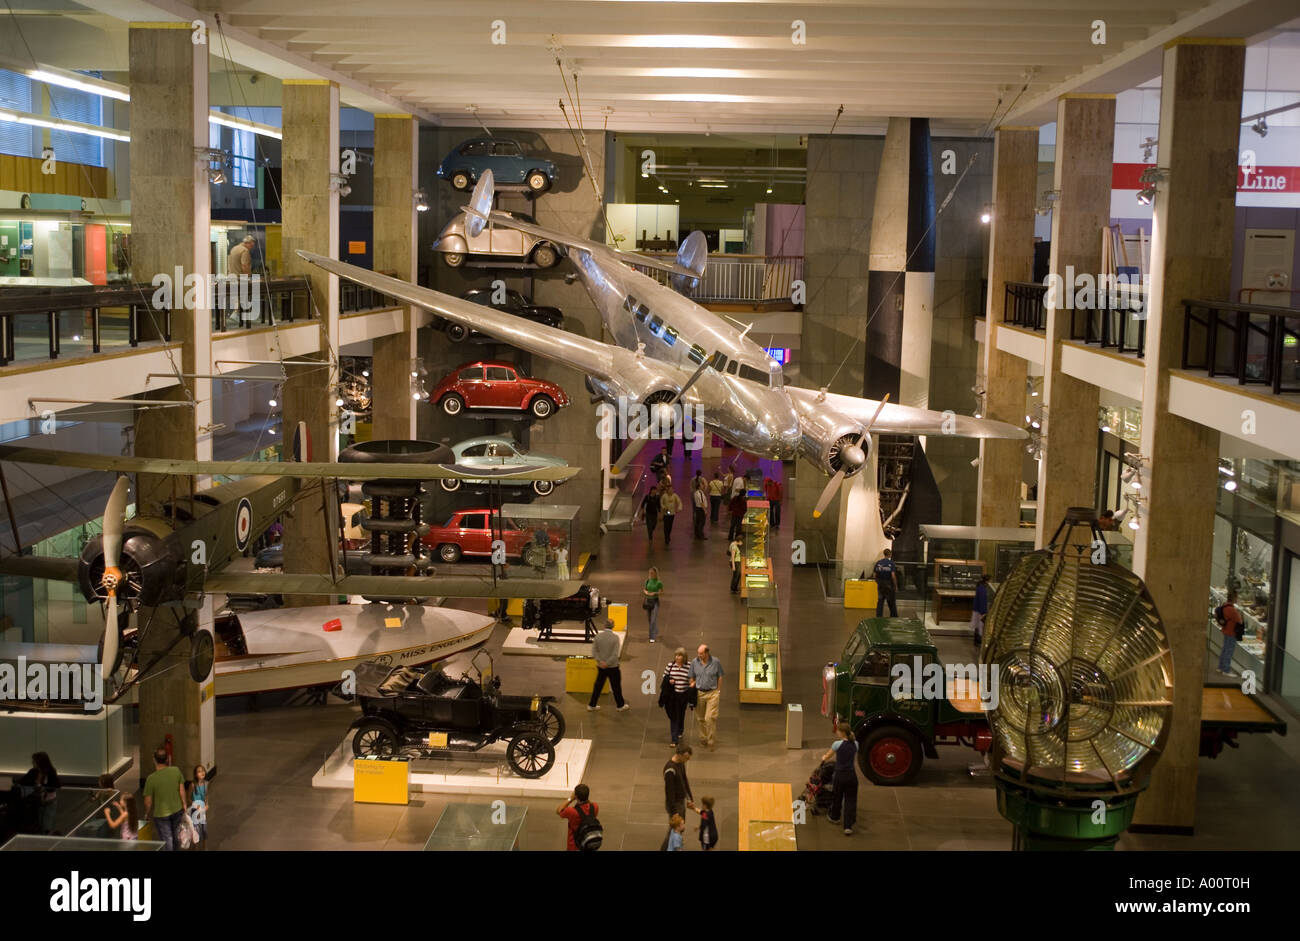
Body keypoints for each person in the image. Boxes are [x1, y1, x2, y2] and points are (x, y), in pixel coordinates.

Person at [142, 748, 188, 851]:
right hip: (177, 810)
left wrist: (147, 813)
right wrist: (184, 804)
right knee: (176, 837)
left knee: (167, 839)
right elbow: (182, 790)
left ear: (154, 760)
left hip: (161, 815)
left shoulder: (151, 778)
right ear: (167, 759)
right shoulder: (176, 770)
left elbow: (148, 801)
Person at [822, 722, 859, 835]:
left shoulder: (837, 744)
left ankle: (835, 817)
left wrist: (823, 757)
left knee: (837, 796)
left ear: (842, 732)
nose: (836, 732)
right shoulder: (856, 744)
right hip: (852, 776)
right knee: (851, 800)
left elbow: (827, 756)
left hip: (840, 776)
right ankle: (848, 826)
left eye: (838, 731)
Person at [588, 620, 631, 712]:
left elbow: (594, 652)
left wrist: (600, 662)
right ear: (613, 626)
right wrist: (607, 663)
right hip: (613, 667)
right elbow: (615, 654)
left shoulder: (598, 636)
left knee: (598, 687)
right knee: (616, 687)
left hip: (601, 667)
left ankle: (592, 705)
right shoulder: (615, 638)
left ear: (604, 625)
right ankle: (620, 705)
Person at [689, 644, 725, 748]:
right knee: (700, 718)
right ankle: (703, 737)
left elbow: (720, 676)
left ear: (707, 653)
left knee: (709, 718)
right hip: (699, 693)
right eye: (698, 653)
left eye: (701, 653)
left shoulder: (716, 662)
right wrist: (693, 683)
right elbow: (691, 676)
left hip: (712, 693)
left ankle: (711, 740)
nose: (699, 655)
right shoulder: (694, 662)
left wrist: (718, 690)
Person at [660, 648, 692, 745]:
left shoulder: (689, 666)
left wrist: (691, 683)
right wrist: (669, 680)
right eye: (676, 655)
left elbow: (692, 678)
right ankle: (674, 739)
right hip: (673, 695)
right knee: (674, 716)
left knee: (681, 713)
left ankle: (680, 730)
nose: (677, 657)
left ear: (684, 657)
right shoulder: (670, 665)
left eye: (679, 655)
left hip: (684, 695)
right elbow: (664, 676)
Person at [21, 752, 60, 834]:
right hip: (38, 801)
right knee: (40, 823)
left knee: (47, 824)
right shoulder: (33, 771)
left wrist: (41, 786)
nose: (32, 762)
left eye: (34, 761)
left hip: (50, 801)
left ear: (39, 762)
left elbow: (56, 785)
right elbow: (22, 781)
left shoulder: (51, 772)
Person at [556, 784, 599, 852]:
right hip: (589, 843)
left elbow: (559, 810)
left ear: (576, 796)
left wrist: (570, 798)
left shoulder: (571, 811)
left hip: (574, 846)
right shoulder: (595, 807)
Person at [663, 744, 695, 820]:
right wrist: (674, 812)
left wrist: (689, 799)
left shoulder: (681, 763)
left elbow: (684, 781)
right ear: (680, 755)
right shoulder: (670, 770)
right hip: (675, 803)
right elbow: (669, 792)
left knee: (680, 826)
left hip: (680, 800)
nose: (688, 759)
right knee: (676, 828)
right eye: (686, 757)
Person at [1217, 589, 1245, 676]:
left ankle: (1221, 667)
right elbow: (1239, 621)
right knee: (1228, 651)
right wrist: (1240, 615)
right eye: (1237, 597)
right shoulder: (1232, 610)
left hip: (1226, 630)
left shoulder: (1225, 606)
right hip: (1231, 632)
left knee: (1225, 649)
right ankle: (1226, 669)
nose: (1237, 599)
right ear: (1234, 598)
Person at [188, 764, 209, 849]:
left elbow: (206, 796)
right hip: (195, 810)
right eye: (199, 771)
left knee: (204, 830)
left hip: (202, 809)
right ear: (195, 774)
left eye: (203, 770)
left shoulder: (206, 783)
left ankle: (204, 848)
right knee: (196, 830)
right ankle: (196, 848)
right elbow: (188, 798)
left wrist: (207, 804)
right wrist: (195, 806)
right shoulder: (193, 785)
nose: (202, 772)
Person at [873, 548, 899, 618]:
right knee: (891, 602)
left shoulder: (878, 563)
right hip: (889, 585)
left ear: (884, 554)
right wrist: (896, 586)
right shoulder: (891, 563)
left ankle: (879, 617)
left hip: (880, 585)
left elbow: (874, 575)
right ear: (890, 554)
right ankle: (893, 617)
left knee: (880, 601)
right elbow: (893, 576)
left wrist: (878, 582)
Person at [643, 566, 663, 643]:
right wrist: (646, 592)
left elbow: (661, 591)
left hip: (655, 602)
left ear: (655, 574)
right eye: (650, 573)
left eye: (652, 573)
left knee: (653, 620)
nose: (651, 574)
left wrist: (655, 593)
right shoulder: (647, 581)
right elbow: (644, 589)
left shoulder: (659, 582)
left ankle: (652, 637)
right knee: (649, 619)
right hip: (648, 601)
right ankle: (655, 630)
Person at [971, 573, 991, 646]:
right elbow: (982, 601)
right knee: (980, 627)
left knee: (977, 626)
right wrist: (983, 612)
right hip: (980, 610)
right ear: (988, 581)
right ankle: (978, 642)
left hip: (976, 609)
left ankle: (976, 641)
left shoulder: (979, 586)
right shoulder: (983, 589)